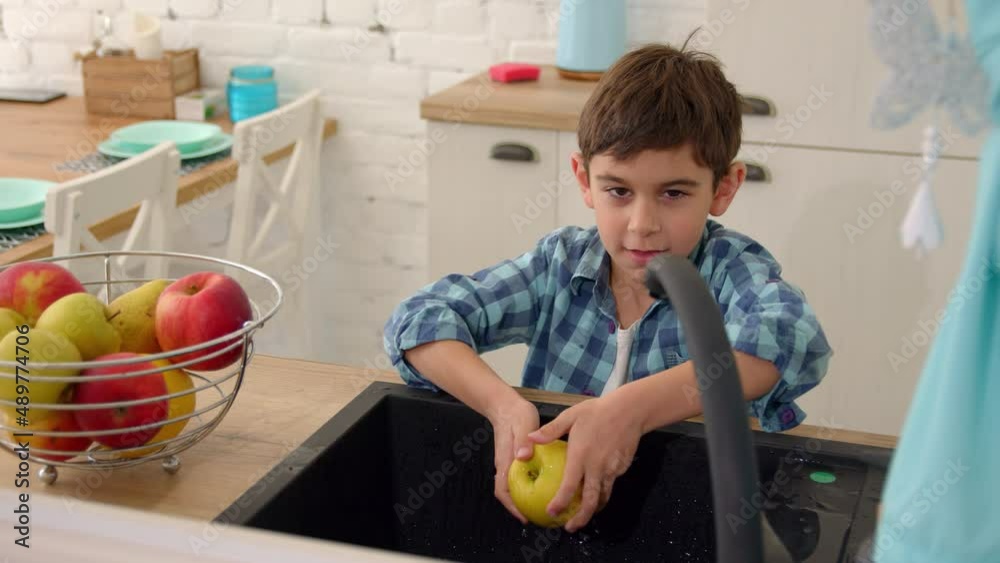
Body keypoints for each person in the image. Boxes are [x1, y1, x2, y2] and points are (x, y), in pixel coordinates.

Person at [382, 38, 832, 533]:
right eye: (618, 190)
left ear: (723, 188)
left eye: (674, 193)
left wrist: (632, 409)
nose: (642, 223)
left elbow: (791, 338)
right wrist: (503, 406)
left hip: (695, 522)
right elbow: (420, 319)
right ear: (583, 179)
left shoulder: (730, 270)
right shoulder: (560, 264)